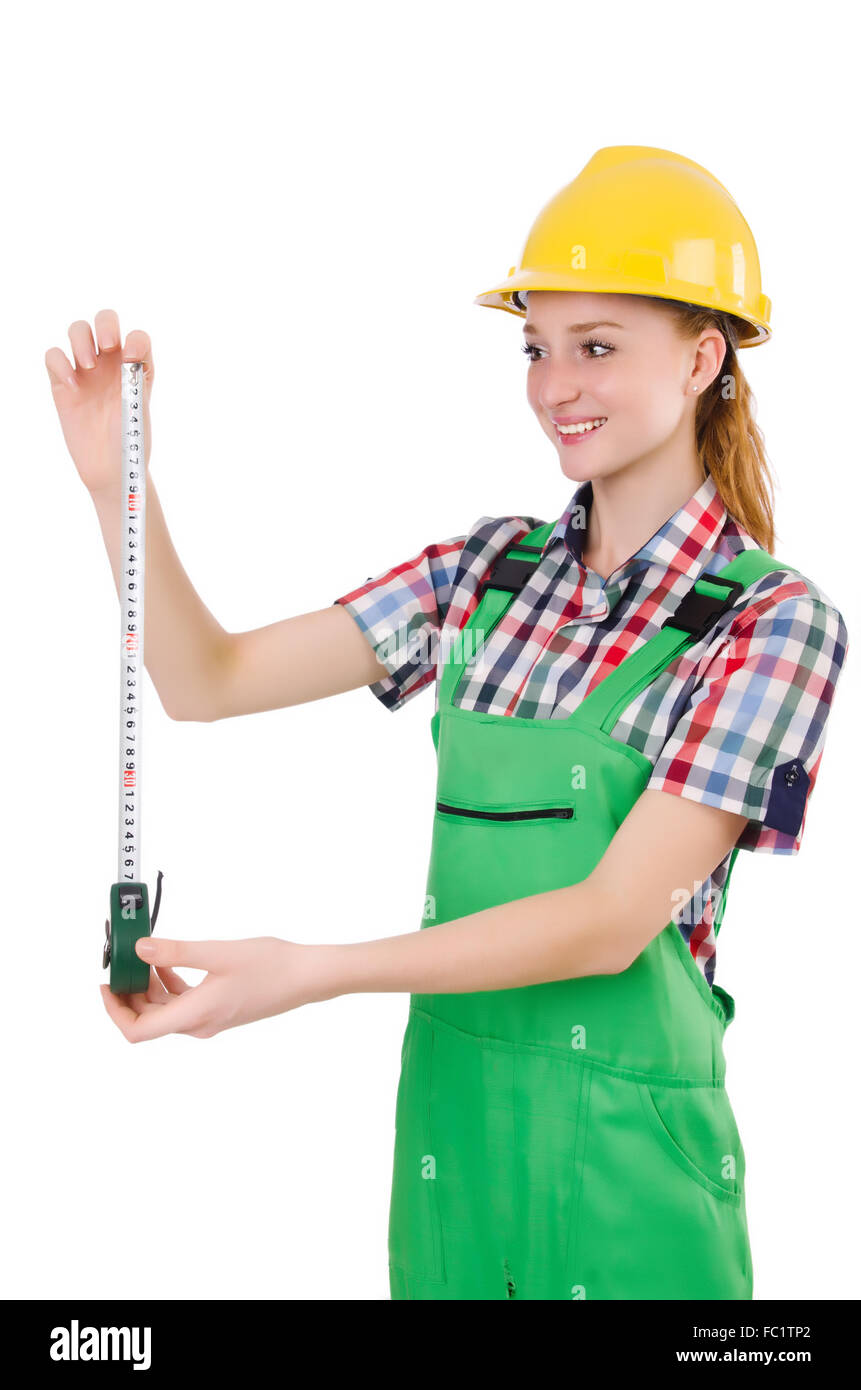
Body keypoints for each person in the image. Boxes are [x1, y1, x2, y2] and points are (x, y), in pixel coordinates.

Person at [46, 145, 848, 1300]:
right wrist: (117, 485)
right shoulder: (486, 574)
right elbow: (205, 678)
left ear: (704, 356)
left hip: (635, 1170)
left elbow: (611, 922)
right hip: (454, 1142)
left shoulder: (773, 623)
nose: (553, 385)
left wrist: (311, 972)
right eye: (537, 347)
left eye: (598, 346)